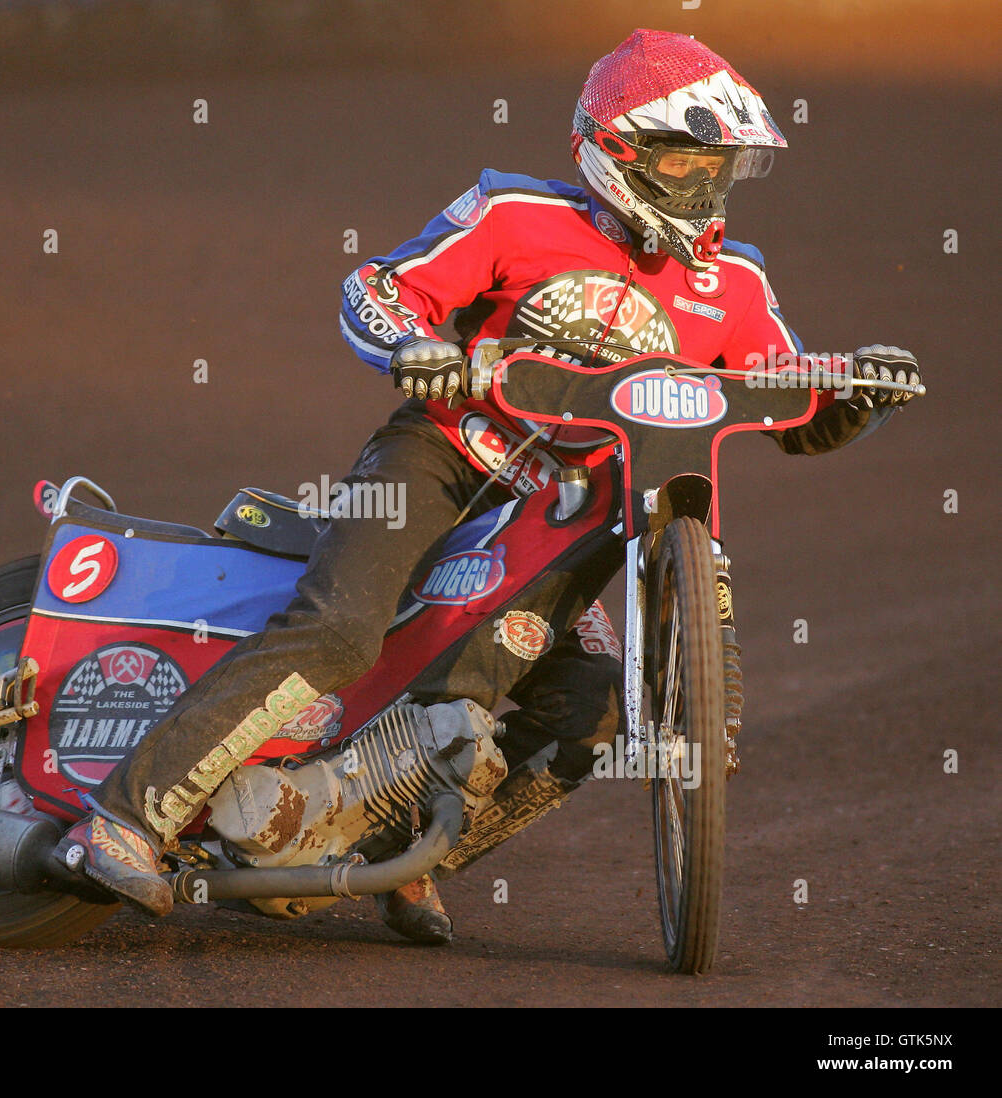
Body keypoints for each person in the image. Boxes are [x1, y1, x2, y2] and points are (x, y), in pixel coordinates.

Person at [53, 28, 921, 942]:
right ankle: (123, 817)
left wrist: (857, 393)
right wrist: (414, 348)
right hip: (444, 459)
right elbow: (378, 288)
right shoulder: (513, 213)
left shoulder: (733, 280)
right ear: (616, 150)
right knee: (341, 630)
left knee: (586, 713)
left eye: (722, 168)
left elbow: (788, 405)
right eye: (682, 161)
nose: (707, 190)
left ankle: (401, 847)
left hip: (563, 518)